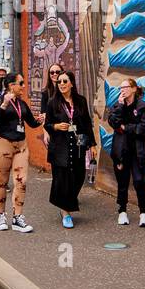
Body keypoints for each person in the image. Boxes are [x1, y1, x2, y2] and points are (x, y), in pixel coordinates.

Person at [0, 72, 43, 234]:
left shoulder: (22, 104)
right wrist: (4, 105)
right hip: (3, 145)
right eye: (21, 83)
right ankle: (0, 215)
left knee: (21, 181)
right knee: (2, 182)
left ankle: (18, 217)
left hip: (21, 145)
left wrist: (40, 119)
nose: (24, 86)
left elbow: (31, 123)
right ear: (11, 85)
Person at [44, 69, 95, 228]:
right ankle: (66, 212)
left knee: (78, 177)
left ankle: (66, 204)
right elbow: (47, 124)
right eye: (59, 82)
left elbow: (87, 123)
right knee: (62, 179)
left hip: (78, 144)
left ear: (72, 83)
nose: (61, 84)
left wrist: (92, 144)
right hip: (60, 146)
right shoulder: (53, 102)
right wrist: (57, 126)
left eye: (65, 81)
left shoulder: (81, 100)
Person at [106, 77, 145, 226]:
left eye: (125, 87)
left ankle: (143, 213)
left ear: (134, 89)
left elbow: (144, 129)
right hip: (121, 151)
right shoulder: (118, 105)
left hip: (138, 152)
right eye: (120, 88)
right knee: (122, 182)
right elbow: (113, 122)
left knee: (139, 181)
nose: (122, 90)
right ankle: (122, 211)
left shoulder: (143, 106)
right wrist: (119, 106)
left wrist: (126, 128)